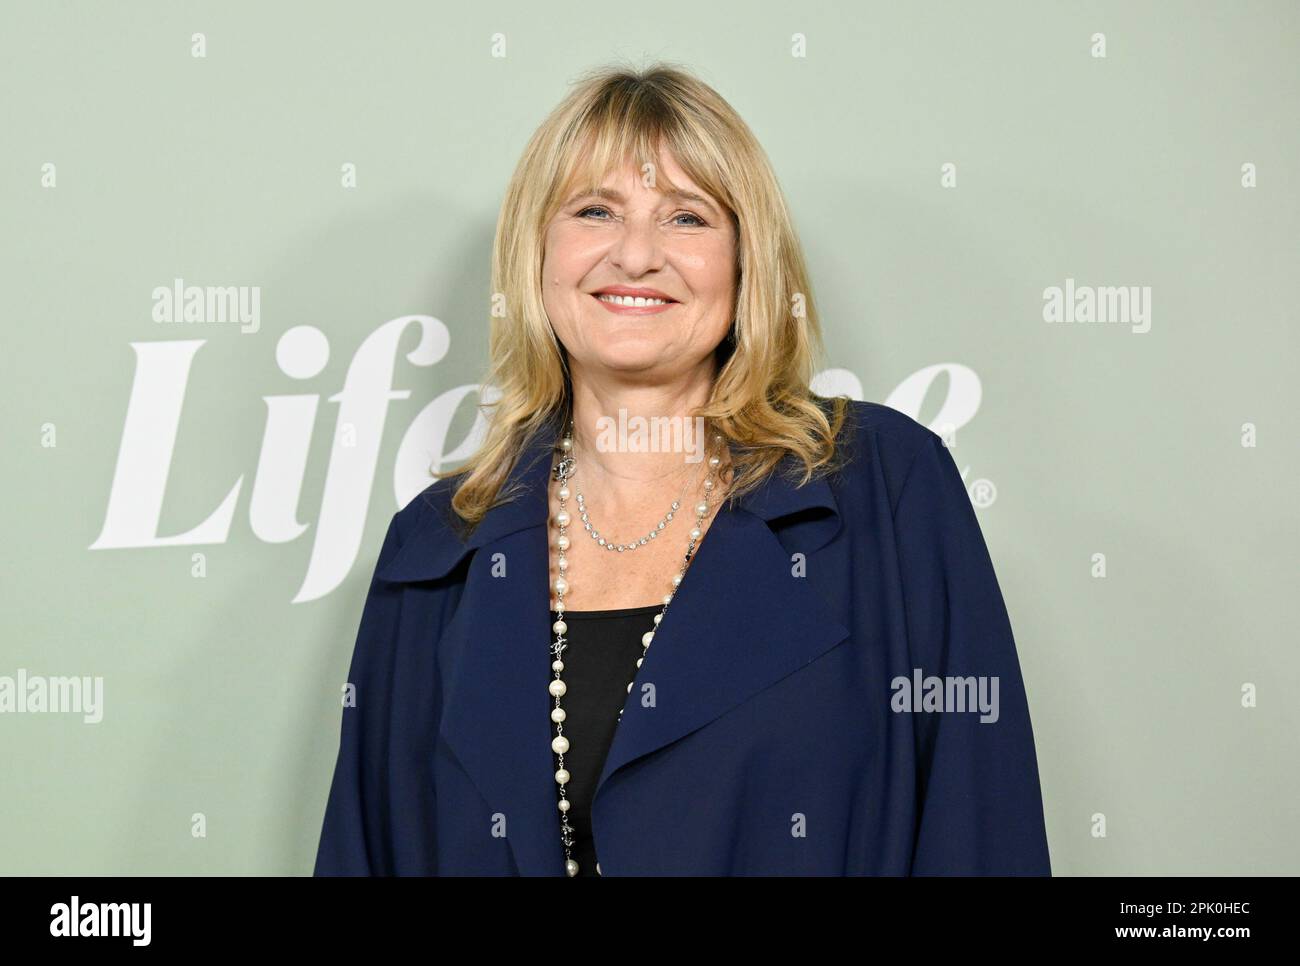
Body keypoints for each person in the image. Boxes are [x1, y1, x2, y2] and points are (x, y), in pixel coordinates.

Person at [314, 63, 1051, 876]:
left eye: (687, 218)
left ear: (745, 265)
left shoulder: (885, 488)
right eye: (595, 211)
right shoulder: (437, 544)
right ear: (538, 254)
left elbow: (982, 831)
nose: (635, 256)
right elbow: (365, 849)